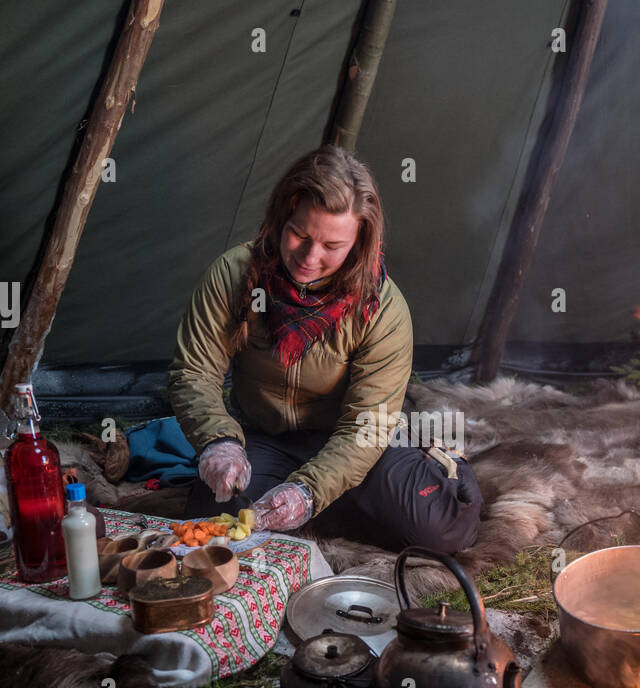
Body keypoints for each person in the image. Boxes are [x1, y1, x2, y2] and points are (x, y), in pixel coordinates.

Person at [169, 146, 481, 553]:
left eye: (332, 245)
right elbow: (193, 372)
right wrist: (219, 442)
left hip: (355, 438)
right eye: (300, 234)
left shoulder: (383, 308)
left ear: (359, 241)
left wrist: (308, 491)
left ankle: (427, 473)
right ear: (283, 216)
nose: (310, 258)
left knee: (439, 530)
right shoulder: (233, 275)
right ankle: (341, 507)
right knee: (218, 526)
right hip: (265, 436)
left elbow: (364, 426)